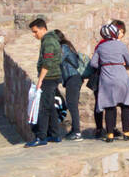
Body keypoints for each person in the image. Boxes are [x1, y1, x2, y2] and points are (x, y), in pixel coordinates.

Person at [89, 23, 129, 142]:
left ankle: (110, 134)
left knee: (109, 106)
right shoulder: (120, 45)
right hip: (121, 76)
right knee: (125, 104)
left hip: (106, 78)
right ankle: (126, 132)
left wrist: (104, 64)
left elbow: (93, 64)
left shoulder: (100, 47)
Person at [27, 17, 64, 147]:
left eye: (35, 31)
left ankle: (41, 136)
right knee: (49, 106)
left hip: (49, 77)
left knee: (43, 107)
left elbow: (47, 63)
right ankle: (55, 134)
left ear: (43, 29)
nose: (34, 34)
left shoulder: (48, 42)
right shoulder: (50, 39)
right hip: (53, 76)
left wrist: (40, 80)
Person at [89, 19, 126, 137]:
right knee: (102, 103)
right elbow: (95, 62)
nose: (121, 34)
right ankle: (100, 128)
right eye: (119, 31)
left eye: (122, 32)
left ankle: (111, 128)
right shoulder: (103, 45)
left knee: (112, 102)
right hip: (101, 75)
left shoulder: (112, 45)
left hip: (107, 75)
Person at [55, 29, 87, 140]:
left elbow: (56, 61)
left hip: (73, 78)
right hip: (73, 79)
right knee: (71, 104)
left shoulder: (63, 47)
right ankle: (74, 130)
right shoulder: (66, 46)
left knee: (72, 105)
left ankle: (77, 132)